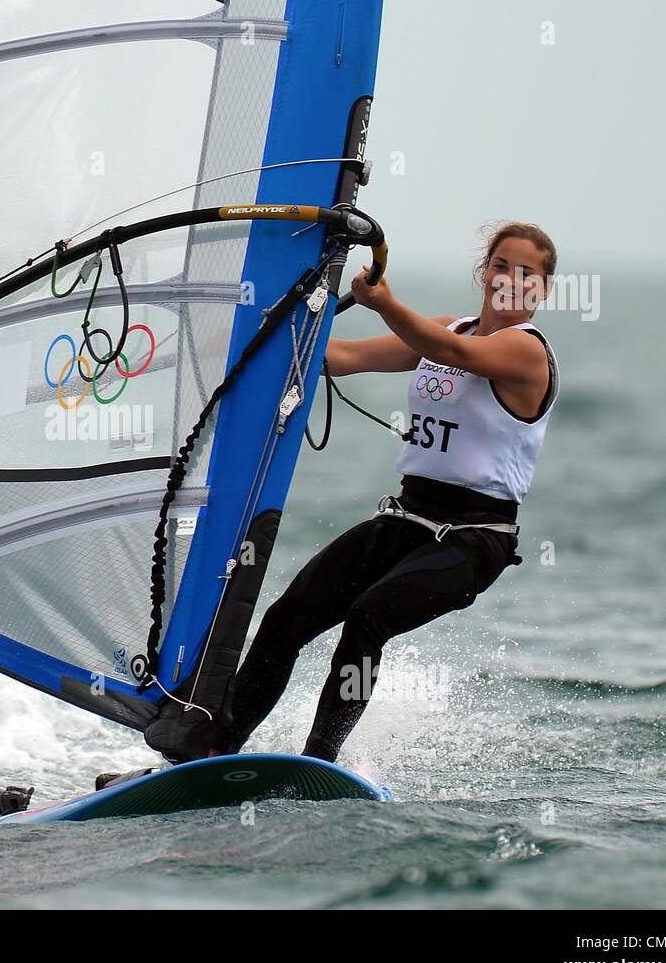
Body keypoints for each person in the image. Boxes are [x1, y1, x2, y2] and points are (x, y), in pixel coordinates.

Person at [207, 222, 561, 763]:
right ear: (483, 271)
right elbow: (344, 357)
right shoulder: (452, 327)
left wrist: (384, 303)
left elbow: (446, 351)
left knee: (369, 616)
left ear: (545, 288)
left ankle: (318, 763)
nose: (510, 279)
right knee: (286, 617)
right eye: (500, 265)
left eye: (527, 273)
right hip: (406, 516)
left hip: (472, 539)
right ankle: (216, 749)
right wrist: (265, 333)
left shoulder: (527, 352)